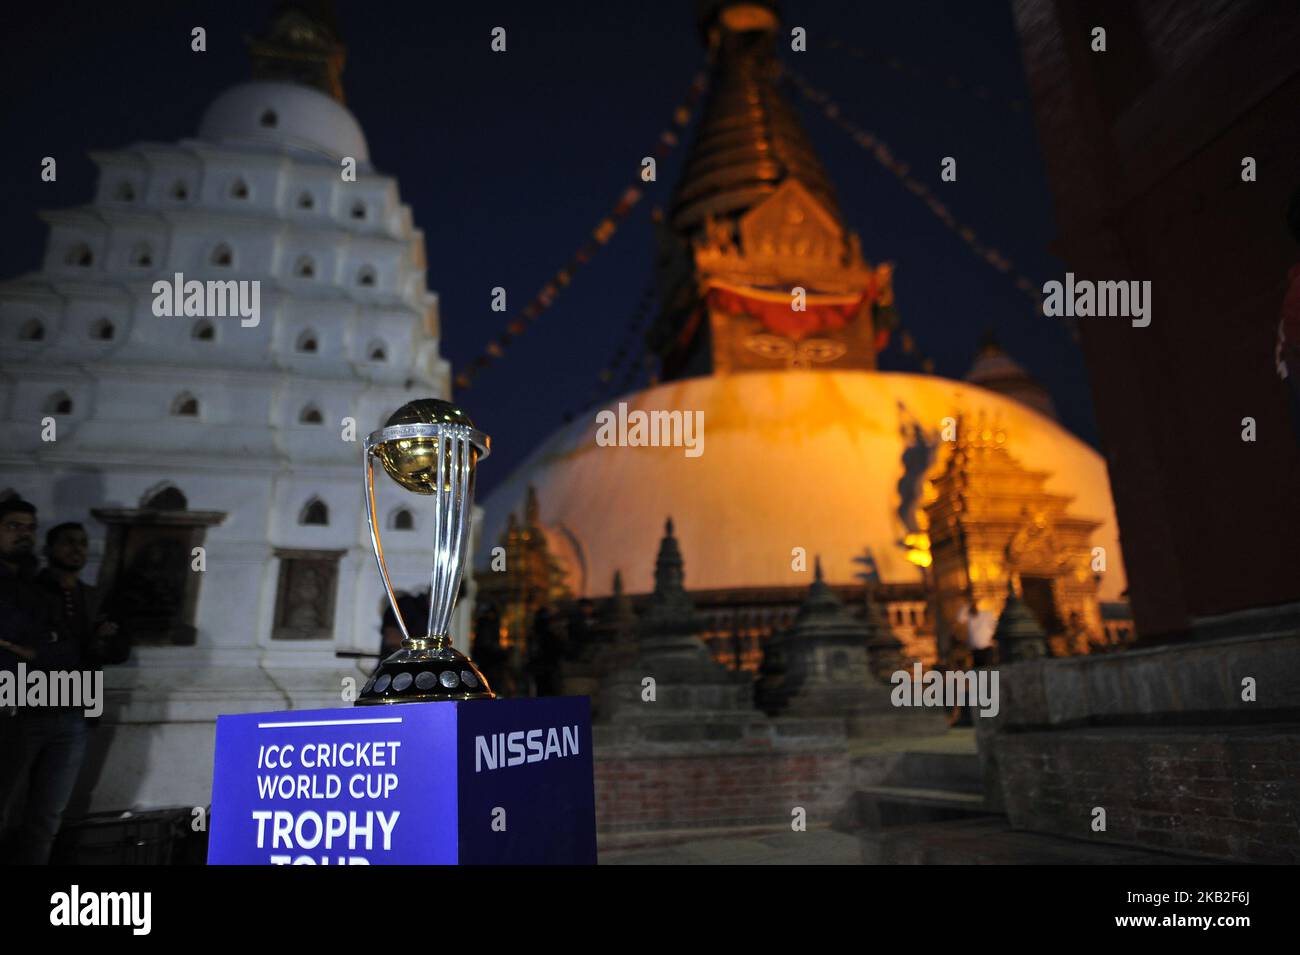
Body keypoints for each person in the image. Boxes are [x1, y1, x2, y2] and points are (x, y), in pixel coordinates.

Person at [0, 500, 90, 864]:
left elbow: (72, 648)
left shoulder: (34, 583)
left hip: (42, 706)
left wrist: (37, 648)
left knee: (44, 817)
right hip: (14, 703)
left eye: (29, 527)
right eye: (13, 526)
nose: (24, 534)